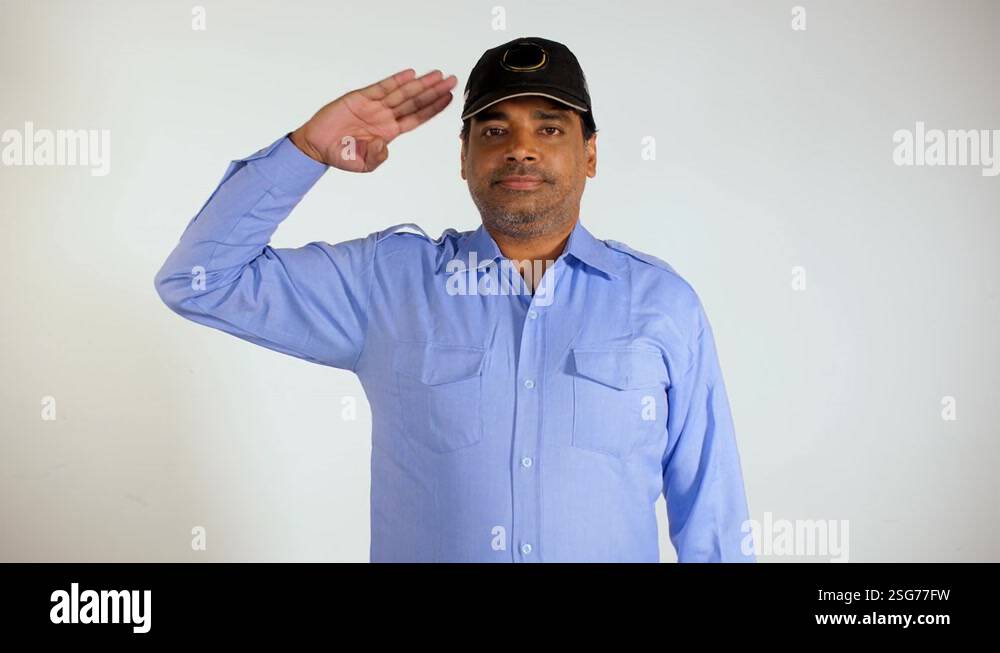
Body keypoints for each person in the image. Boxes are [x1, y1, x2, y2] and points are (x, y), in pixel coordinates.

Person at [154, 36, 755, 562]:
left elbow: (712, 515)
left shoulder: (662, 303)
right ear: (463, 158)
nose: (521, 148)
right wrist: (308, 150)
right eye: (495, 131)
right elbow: (200, 280)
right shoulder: (386, 284)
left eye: (549, 128)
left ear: (590, 154)